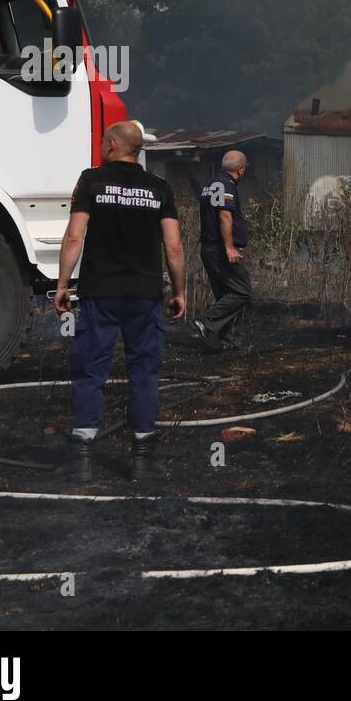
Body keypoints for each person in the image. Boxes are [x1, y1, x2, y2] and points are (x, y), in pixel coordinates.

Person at [55, 120, 184, 483]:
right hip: (144, 295)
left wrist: (63, 283)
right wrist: (179, 291)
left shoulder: (91, 181)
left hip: (101, 293)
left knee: (90, 369)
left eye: (102, 141)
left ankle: (81, 460)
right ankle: (142, 461)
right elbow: (173, 246)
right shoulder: (160, 188)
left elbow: (73, 237)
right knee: (144, 371)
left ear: (112, 144)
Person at [193, 151, 253, 351]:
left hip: (209, 249)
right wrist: (229, 247)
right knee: (242, 291)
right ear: (240, 169)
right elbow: (225, 217)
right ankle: (207, 321)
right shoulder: (226, 185)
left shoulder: (211, 185)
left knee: (225, 296)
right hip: (220, 250)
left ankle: (224, 340)